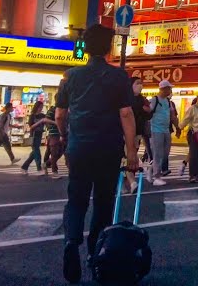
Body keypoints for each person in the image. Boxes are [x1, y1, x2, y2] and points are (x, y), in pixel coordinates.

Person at [54, 24, 138, 284]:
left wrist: (66, 136)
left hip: (78, 147)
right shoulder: (119, 77)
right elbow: (126, 114)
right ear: (109, 47)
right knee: (103, 201)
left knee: (76, 199)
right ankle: (95, 250)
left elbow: (59, 114)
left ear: (86, 47)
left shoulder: (70, 76)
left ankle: (71, 241)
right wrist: (132, 152)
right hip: (108, 148)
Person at [148, 81, 180, 181]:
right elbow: (147, 112)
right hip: (155, 130)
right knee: (157, 153)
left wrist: (177, 127)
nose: (171, 90)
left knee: (165, 153)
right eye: (169, 88)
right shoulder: (154, 100)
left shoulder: (168, 101)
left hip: (166, 130)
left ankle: (151, 169)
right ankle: (156, 176)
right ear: (164, 89)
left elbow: (172, 116)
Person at [21, 98, 51, 175]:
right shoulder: (32, 116)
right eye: (40, 107)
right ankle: (39, 168)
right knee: (37, 152)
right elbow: (31, 126)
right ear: (36, 107)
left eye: (42, 107)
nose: (41, 108)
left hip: (40, 134)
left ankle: (24, 167)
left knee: (34, 153)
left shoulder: (42, 115)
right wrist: (40, 121)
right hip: (34, 135)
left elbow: (47, 121)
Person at [45, 98, 65, 179]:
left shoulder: (65, 109)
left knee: (61, 151)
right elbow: (46, 120)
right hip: (54, 134)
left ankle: (47, 163)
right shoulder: (52, 110)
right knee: (54, 152)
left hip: (62, 133)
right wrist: (55, 123)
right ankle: (54, 171)